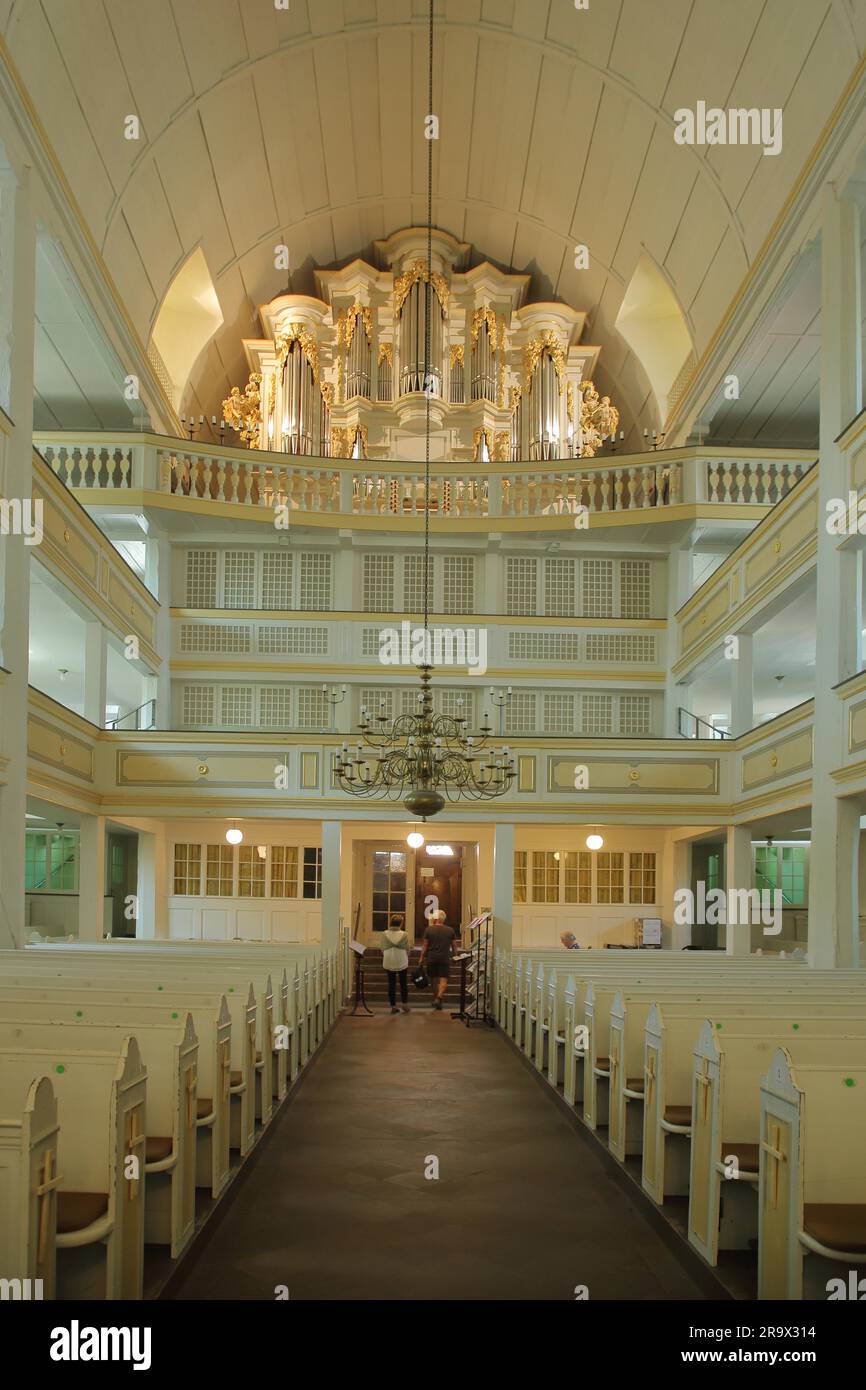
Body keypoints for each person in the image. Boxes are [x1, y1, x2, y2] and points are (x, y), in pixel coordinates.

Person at [420, 908, 457, 1010]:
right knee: (443, 979)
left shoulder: (428, 930)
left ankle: (436, 998)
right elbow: (454, 945)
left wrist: (421, 958)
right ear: (443, 919)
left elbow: (425, 946)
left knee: (433, 980)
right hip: (444, 957)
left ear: (435, 919)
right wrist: (455, 955)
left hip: (432, 957)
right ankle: (439, 998)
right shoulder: (450, 930)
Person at [381, 912, 410, 1013]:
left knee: (391, 983)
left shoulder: (384, 933)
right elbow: (407, 948)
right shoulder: (404, 934)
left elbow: (382, 948)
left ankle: (393, 1006)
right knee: (403, 983)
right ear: (401, 923)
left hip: (389, 959)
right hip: (401, 958)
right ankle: (405, 1004)